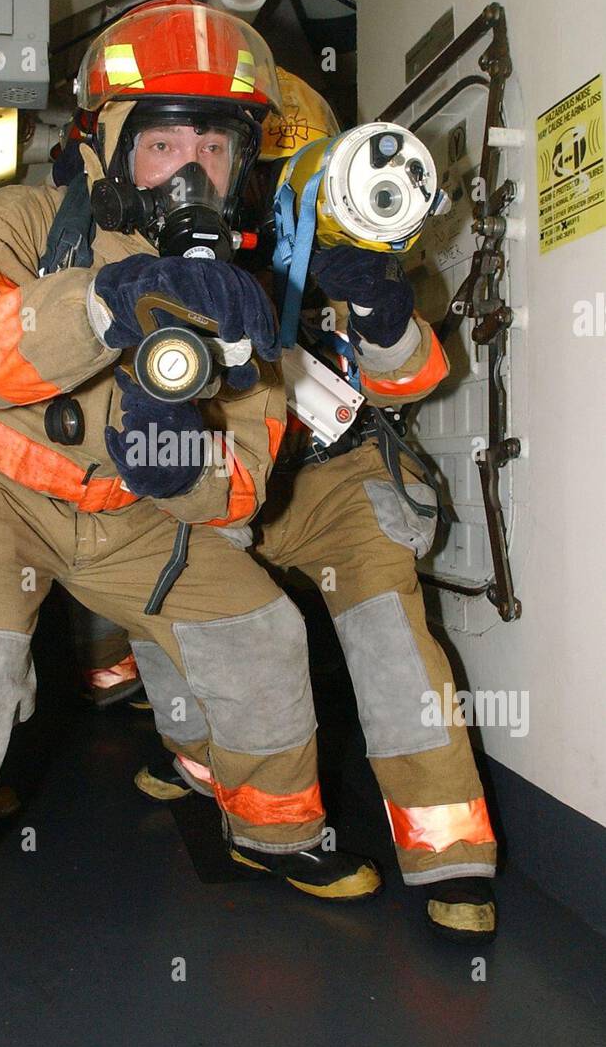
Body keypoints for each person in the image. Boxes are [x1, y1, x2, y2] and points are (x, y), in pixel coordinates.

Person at [0, 0, 382, 1047]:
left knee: (261, 626)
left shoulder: (245, 301)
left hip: (123, 513)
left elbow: (241, 485)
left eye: (214, 146)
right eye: (165, 139)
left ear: (241, 168)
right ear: (111, 140)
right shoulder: (24, 222)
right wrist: (106, 300)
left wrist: (183, 470)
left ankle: (273, 831)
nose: (189, 169)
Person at [132, 71, 498, 944]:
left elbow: (414, 377)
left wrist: (376, 303)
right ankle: (201, 768)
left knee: (395, 644)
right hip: (222, 475)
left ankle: (451, 856)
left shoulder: (345, 234)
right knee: (174, 618)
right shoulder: (159, 237)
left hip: (333, 478)